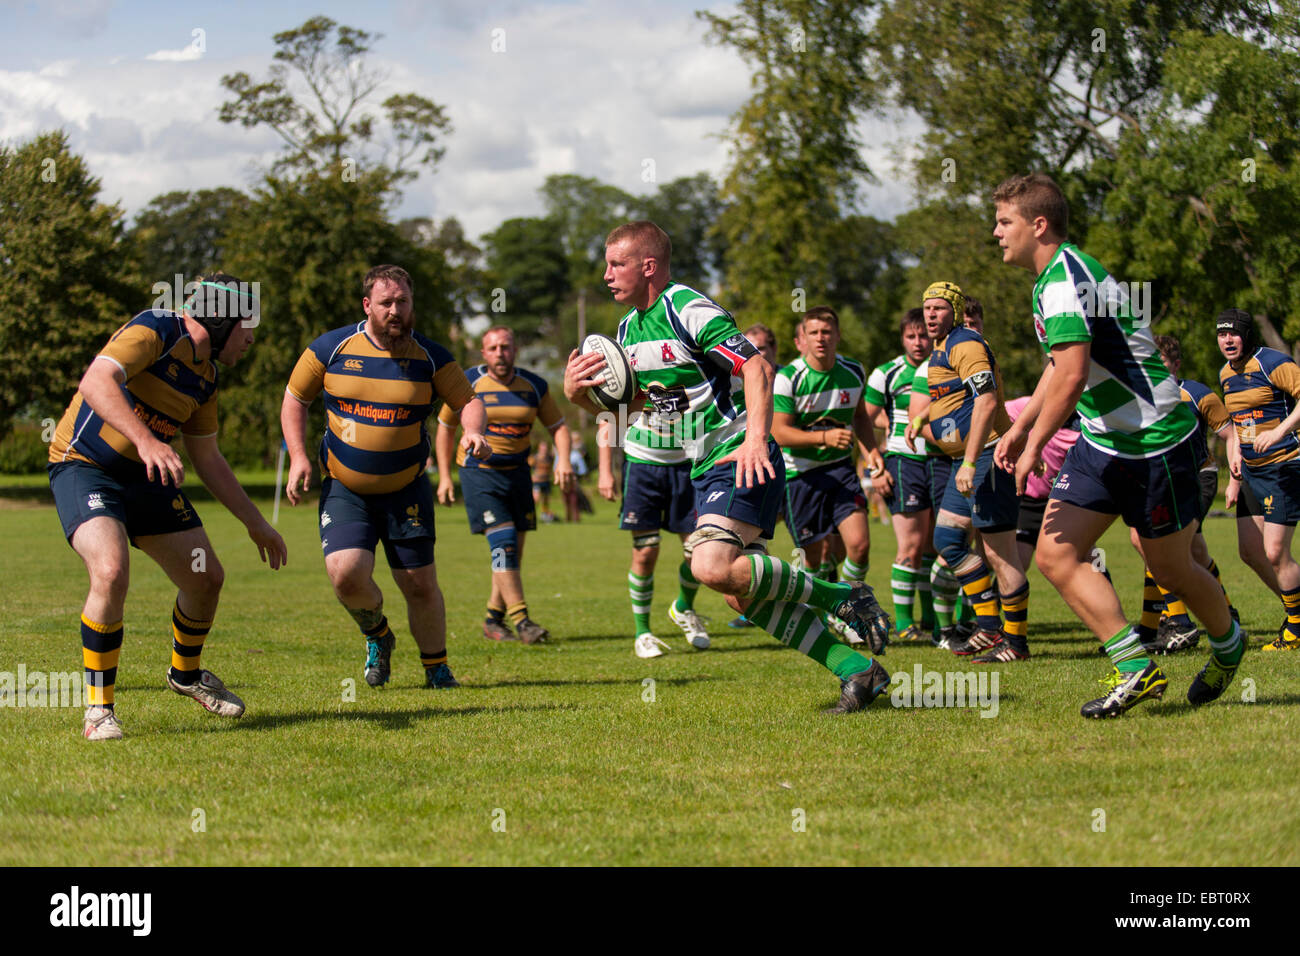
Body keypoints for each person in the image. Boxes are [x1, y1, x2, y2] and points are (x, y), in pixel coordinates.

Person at [565, 221, 892, 715]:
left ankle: (841, 595)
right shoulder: (628, 331)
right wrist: (578, 397)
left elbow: (757, 368)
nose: (607, 275)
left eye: (617, 264)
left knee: (709, 566)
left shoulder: (687, 309)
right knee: (742, 595)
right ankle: (857, 672)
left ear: (647, 266)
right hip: (704, 467)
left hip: (738, 451)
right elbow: (633, 412)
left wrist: (757, 439)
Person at [992, 173, 1245, 716]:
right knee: (1056, 555)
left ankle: (1228, 644)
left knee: (1173, 570)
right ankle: (1135, 668)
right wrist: (1020, 426)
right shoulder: (1053, 279)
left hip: (1155, 443)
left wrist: (1034, 444)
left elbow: (1074, 375)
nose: (996, 232)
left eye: (1004, 221)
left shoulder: (1065, 278)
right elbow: (1059, 367)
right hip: (1103, 442)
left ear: (1038, 225)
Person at [49, 273, 287, 740]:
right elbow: (97, 380)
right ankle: (99, 711)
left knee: (206, 578)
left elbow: (208, 457)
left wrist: (256, 522)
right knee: (111, 571)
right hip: (85, 467)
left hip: (147, 479)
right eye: (248, 324)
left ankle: (186, 674)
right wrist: (146, 441)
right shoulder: (155, 328)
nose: (252, 336)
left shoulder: (207, 378)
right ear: (221, 321)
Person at [282, 264, 487, 691]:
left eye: (403, 302)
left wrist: (475, 430)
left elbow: (468, 400)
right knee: (346, 573)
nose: (395, 310)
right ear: (367, 305)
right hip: (344, 489)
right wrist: (299, 456)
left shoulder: (431, 357)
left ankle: (437, 669)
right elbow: (294, 397)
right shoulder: (331, 348)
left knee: (418, 582)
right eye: (386, 303)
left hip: (405, 489)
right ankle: (378, 635)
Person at [904, 282, 1029, 662]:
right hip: (967, 461)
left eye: (939, 308)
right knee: (947, 540)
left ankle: (1015, 643)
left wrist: (973, 460)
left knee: (1000, 554)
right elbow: (959, 395)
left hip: (985, 459)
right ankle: (990, 629)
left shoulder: (965, 344)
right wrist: (925, 414)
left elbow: (988, 399)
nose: (930, 314)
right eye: (927, 308)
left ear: (954, 312)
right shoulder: (942, 348)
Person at [436, 326, 572, 644]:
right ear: (484, 353)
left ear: (515, 351)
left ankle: (492, 619)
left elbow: (559, 427)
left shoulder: (534, 386)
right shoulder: (466, 382)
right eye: (494, 348)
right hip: (478, 471)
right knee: (503, 543)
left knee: (511, 552)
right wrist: (444, 476)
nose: (500, 353)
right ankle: (522, 620)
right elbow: (444, 427)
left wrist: (563, 459)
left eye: (506, 347)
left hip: (518, 474)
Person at [1131, 334, 1241, 654]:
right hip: (1160, 481)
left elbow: (1229, 434)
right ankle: (1222, 613)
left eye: (1162, 364)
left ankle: (1179, 623)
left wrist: (1233, 480)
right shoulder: (1141, 396)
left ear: (1176, 365)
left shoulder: (1196, 395)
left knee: (1156, 544)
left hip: (1198, 478)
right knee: (1195, 549)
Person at [772, 306, 884, 603]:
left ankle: (849, 609)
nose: (820, 338)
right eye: (814, 333)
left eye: (826, 332)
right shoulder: (789, 378)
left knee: (858, 546)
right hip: (800, 477)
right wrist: (825, 436)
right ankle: (820, 614)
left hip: (840, 471)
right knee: (814, 559)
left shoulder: (854, 371)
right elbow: (779, 433)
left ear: (838, 336)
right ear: (803, 339)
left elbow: (861, 416)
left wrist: (871, 451)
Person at [1217, 308, 1300, 651]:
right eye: (1222, 335)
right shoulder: (1225, 374)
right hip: (1251, 471)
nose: (1227, 340)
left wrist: (1280, 431)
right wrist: (1234, 459)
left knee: (1276, 551)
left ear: (1247, 335)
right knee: (1251, 552)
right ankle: (1295, 611)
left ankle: (1296, 629)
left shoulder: (1274, 363)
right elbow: (1238, 422)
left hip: (1285, 465)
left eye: (1234, 333)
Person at [596, 406, 709, 658]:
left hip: (687, 467)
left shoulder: (693, 368)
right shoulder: (633, 369)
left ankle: (683, 607)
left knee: (699, 551)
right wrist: (605, 471)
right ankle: (643, 633)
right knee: (645, 553)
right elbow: (609, 417)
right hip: (641, 467)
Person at [864, 308, 937, 643]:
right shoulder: (886, 373)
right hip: (904, 460)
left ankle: (935, 620)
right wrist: (875, 464)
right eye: (911, 335)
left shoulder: (945, 366)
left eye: (923, 335)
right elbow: (863, 420)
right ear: (902, 337)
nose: (919, 342)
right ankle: (905, 624)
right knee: (910, 546)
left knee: (938, 546)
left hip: (940, 460)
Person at [531, 439, 557, 523]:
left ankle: (545, 515)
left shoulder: (549, 457)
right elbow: (528, 467)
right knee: (536, 499)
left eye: (545, 447)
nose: (544, 449)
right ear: (539, 448)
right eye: (542, 447)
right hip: (537, 481)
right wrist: (531, 476)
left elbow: (556, 452)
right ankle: (530, 515)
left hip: (546, 481)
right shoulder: (535, 457)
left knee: (545, 500)